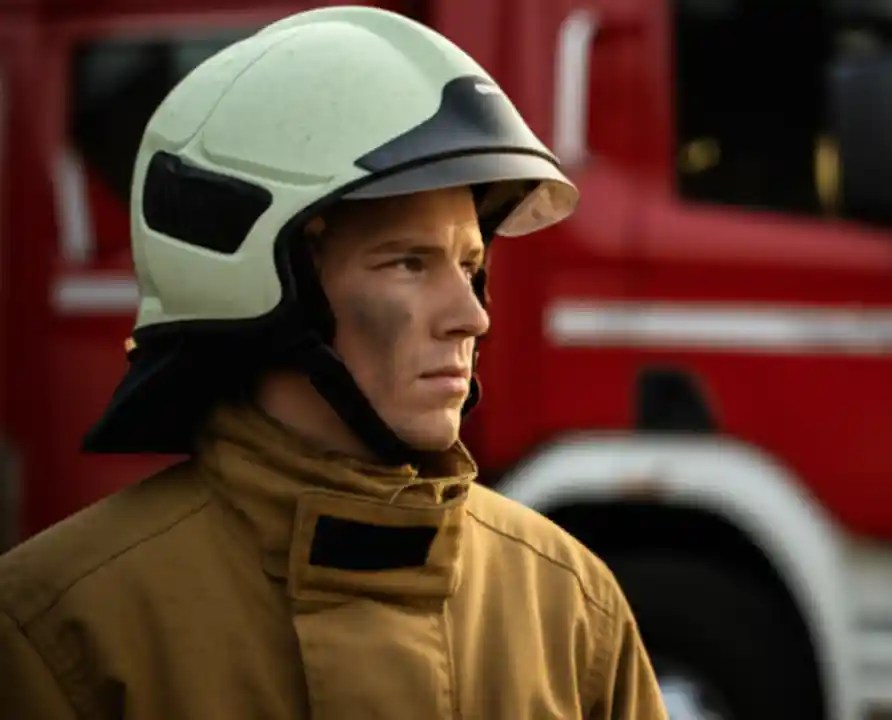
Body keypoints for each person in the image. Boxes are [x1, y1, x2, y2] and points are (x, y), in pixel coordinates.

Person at [0, 6, 667, 718]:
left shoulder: (570, 610)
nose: (472, 317)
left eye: (470, 267)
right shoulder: (63, 631)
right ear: (266, 282)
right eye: (409, 263)